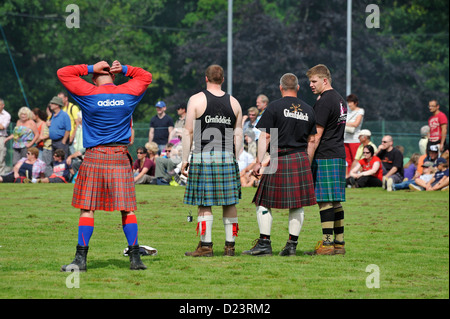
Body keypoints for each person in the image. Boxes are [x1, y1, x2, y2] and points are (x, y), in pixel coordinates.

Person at [57, 59, 152, 271]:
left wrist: (90, 68)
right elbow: (146, 76)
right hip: (119, 156)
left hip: (94, 156)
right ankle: (135, 259)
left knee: (87, 208)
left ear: (94, 78)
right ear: (114, 77)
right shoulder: (127, 92)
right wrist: (126, 69)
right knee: (127, 209)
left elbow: (63, 72)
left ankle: (80, 260)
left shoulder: (88, 92)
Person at [241, 73, 317, 257]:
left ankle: (265, 244)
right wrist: (306, 162)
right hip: (300, 158)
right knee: (297, 205)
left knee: (263, 202)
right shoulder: (308, 110)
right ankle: (291, 246)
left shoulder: (274, 107)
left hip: (279, 158)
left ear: (280, 87)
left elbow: (266, 136)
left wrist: (259, 162)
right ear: (298, 88)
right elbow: (313, 140)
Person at [181, 64, 243, 257]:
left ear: (205, 79)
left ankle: (206, 246)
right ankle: (230, 247)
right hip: (227, 157)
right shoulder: (235, 103)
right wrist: (236, 158)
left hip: (202, 156)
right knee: (229, 203)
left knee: (204, 203)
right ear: (222, 79)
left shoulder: (196, 100)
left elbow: (188, 131)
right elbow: (238, 134)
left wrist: (184, 159)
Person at [306, 64, 347, 255]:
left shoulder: (324, 101)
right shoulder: (340, 100)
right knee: (336, 201)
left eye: (314, 81)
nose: (311, 85)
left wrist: (306, 162)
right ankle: (339, 243)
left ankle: (327, 244)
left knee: (324, 201)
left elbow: (315, 136)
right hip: (338, 153)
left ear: (325, 80)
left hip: (325, 155)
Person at [344, 94, 365, 174]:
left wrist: (344, 123)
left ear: (355, 103)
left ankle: (356, 176)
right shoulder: (347, 112)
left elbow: (356, 124)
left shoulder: (360, 111)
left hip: (355, 139)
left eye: (351, 102)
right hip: (345, 139)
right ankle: (349, 178)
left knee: (356, 159)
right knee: (347, 160)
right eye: (348, 102)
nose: (349, 104)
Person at [0, 98, 11, 175]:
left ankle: (1, 176)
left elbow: (2, 127)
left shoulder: (6, 115)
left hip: (1, 137)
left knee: (1, 158)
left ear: (3, 105)